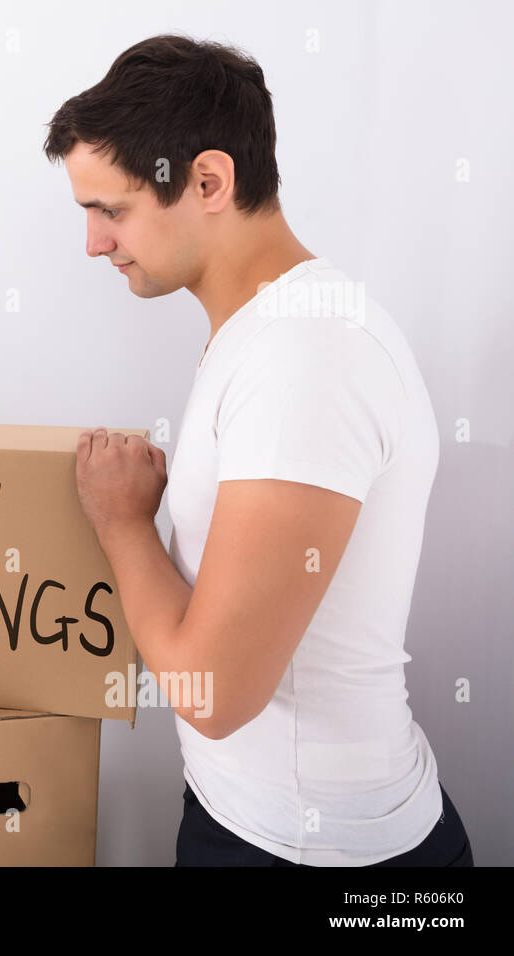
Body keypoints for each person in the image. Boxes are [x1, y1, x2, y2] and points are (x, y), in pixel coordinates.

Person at [45, 34, 473, 866]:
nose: (95, 243)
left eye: (113, 209)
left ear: (209, 181)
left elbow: (214, 693)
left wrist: (123, 523)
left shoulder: (307, 354)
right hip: (252, 820)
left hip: (317, 852)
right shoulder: (269, 334)